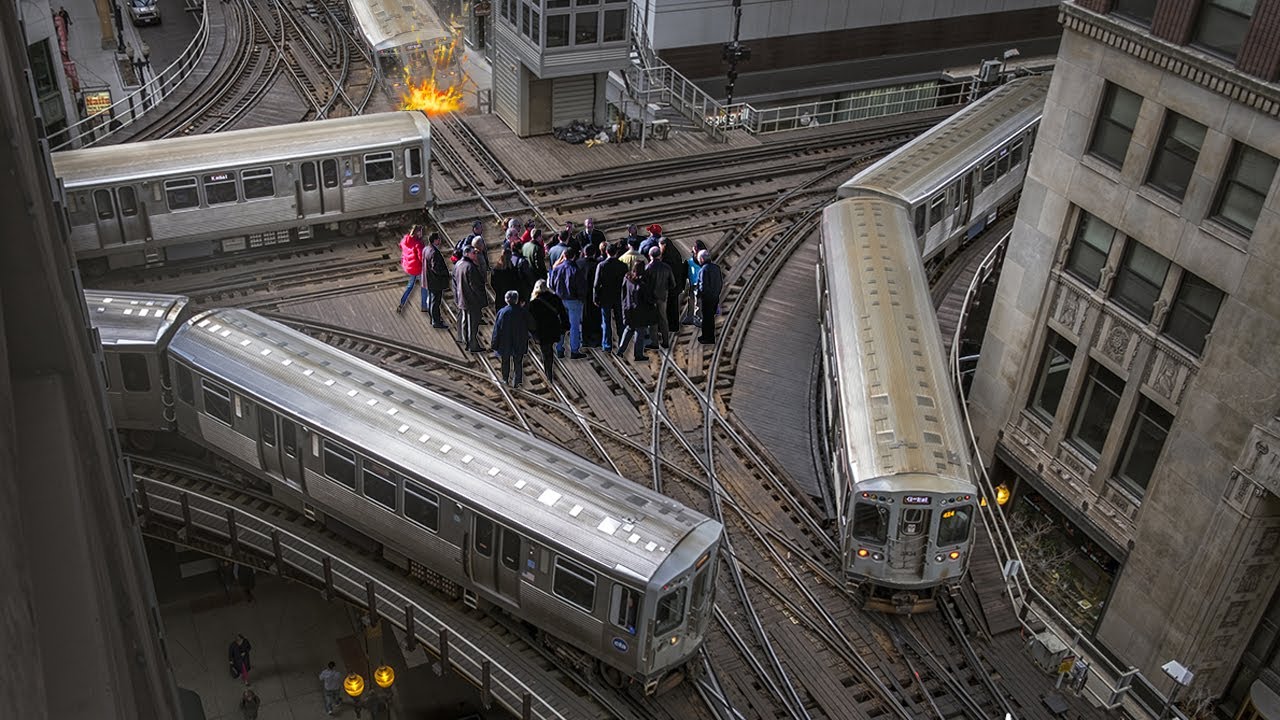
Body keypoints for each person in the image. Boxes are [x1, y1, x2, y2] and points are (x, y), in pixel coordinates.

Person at [528, 280, 569, 386]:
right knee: (550, 349)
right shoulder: (555, 298)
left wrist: (532, 333)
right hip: (553, 329)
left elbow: (528, 320)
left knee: (546, 353)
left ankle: (548, 375)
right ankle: (550, 371)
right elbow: (563, 313)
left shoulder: (533, 303)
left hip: (541, 332)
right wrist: (565, 326)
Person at [549, 245, 586, 359]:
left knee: (561, 325)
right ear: (574, 256)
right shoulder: (576, 270)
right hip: (574, 300)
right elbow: (581, 287)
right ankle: (574, 350)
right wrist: (581, 298)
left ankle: (559, 349)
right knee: (574, 326)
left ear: (563, 256)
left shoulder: (557, 269)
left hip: (560, 300)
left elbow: (551, 284)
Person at [616, 260, 656, 361]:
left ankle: (620, 350)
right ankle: (638, 354)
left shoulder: (627, 278)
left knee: (629, 329)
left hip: (628, 308)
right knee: (640, 331)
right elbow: (648, 298)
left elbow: (623, 293)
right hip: (640, 311)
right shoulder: (642, 283)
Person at [492, 291, 532, 387]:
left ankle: (505, 379)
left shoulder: (502, 312)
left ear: (506, 300)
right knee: (518, 362)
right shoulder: (523, 311)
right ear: (517, 300)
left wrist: (494, 343)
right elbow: (531, 325)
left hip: (505, 341)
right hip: (520, 341)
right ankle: (517, 381)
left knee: (505, 361)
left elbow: (497, 329)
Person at [452, 241, 486, 352]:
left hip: (462, 298)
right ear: (467, 253)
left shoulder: (458, 265)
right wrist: (480, 300)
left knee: (465, 321)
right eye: (473, 253)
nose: (475, 255)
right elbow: (475, 285)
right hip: (472, 300)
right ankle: (472, 345)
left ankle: (465, 341)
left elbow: (455, 283)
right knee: (472, 324)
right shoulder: (470, 267)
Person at [594, 243, 626, 351]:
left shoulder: (602, 266)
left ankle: (607, 344)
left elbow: (596, 284)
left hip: (605, 297)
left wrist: (596, 298)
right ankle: (622, 342)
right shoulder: (622, 266)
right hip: (618, 297)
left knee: (606, 322)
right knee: (620, 321)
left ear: (606, 252)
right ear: (616, 253)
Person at [645, 246, 676, 349]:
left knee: (652, 321)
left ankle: (654, 342)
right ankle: (666, 341)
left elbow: (644, 284)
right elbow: (673, 284)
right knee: (663, 319)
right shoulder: (666, 267)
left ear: (650, 256)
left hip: (651, 299)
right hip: (663, 297)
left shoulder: (647, 268)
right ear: (660, 255)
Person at [395, 225, 426, 313]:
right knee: (424, 287)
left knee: (410, 286)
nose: (421, 234)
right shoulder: (418, 244)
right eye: (420, 232)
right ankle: (424, 306)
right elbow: (422, 258)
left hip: (409, 266)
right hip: (417, 268)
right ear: (418, 232)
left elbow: (401, 246)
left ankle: (401, 304)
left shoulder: (405, 239)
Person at [695, 249, 723, 344]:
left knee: (706, 318)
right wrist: (716, 293)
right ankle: (709, 336)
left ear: (702, 259)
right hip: (715, 297)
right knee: (710, 318)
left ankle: (707, 337)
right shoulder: (716, 268)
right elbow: (720, 283)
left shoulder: (703, 270)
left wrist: (699, 295)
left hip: (707, 298)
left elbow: (702, 286)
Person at [422, 231, 449, 328]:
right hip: (435, 281)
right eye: (439, 239)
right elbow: (436, 268)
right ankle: (436, 321)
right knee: (435, 301)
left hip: (428, 280)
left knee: (431, 300)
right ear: (435, 240)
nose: (440, 241)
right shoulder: (434, 253)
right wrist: (446, 273)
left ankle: (433, 318)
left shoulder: (426, 249)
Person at [660, 235, 686, 332]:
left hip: (666, 287)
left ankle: (665, 326)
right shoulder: (676, 255)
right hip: (676, 286)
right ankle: (674, 326)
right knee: (674, 306)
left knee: (664, 307)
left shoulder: (664, 259)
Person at [579, 242, 602, 348]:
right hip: (594, 294)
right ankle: (596, 339)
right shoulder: (597, 265)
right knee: (596, 317)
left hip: (581, 294)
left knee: (583, 317)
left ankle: (584, 339)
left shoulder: (578, 263)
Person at [682, 239, 708, 325]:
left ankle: (698, 318)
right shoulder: (690, 261)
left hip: (700, 283)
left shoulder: (703, 259)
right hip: (692, 282)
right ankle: (690, 317)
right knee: (691, 300)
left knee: (698, 301)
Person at [490, 248, 521, 313]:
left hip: (500, 298)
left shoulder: (496, 270)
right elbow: (517, 283)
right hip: (512, 298)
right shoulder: (512, 270)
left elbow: (493, 284)